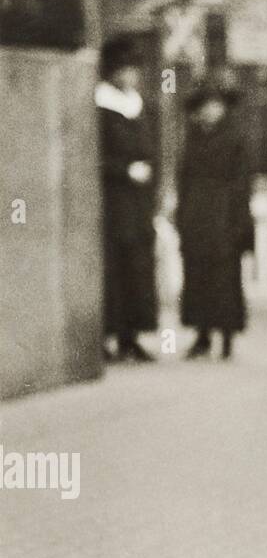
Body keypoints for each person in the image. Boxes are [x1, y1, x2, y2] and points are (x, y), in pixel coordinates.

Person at [176, 76, 254, 360]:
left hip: (224, 215)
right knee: (197, 275)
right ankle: (202, 335)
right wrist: (182, 214)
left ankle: (227, 338)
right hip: (197, 214)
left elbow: (243, 183)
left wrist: (238, 221)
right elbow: (183, 178)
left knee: (225, 277)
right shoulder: (193, 138)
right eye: (206, 106)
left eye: (216, 106)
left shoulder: (235, 139)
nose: (211, 111)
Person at [96, 37, 158, 361]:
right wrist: (124, 171)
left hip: (137, 203)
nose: (132, 77)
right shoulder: (101, 108)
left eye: (134, 70)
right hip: (111, 199)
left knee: (136, 266)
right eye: (126, 70)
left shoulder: (138, 106)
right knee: (113, 267)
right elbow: (94, 155)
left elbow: (151, 152)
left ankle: (130, 335)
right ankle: (107, 335)